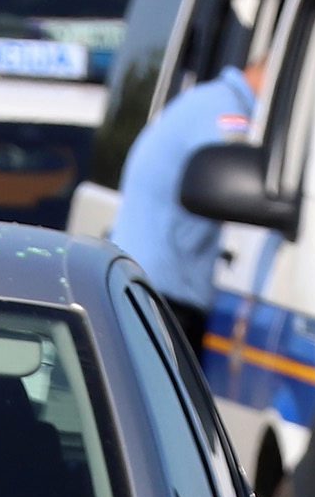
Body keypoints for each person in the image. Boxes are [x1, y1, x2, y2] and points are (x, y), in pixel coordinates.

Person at [108, 45, 263, 367]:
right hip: (164, 299)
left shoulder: (208, 99)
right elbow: (237, 179)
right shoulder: (226, 113)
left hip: (145, 286)